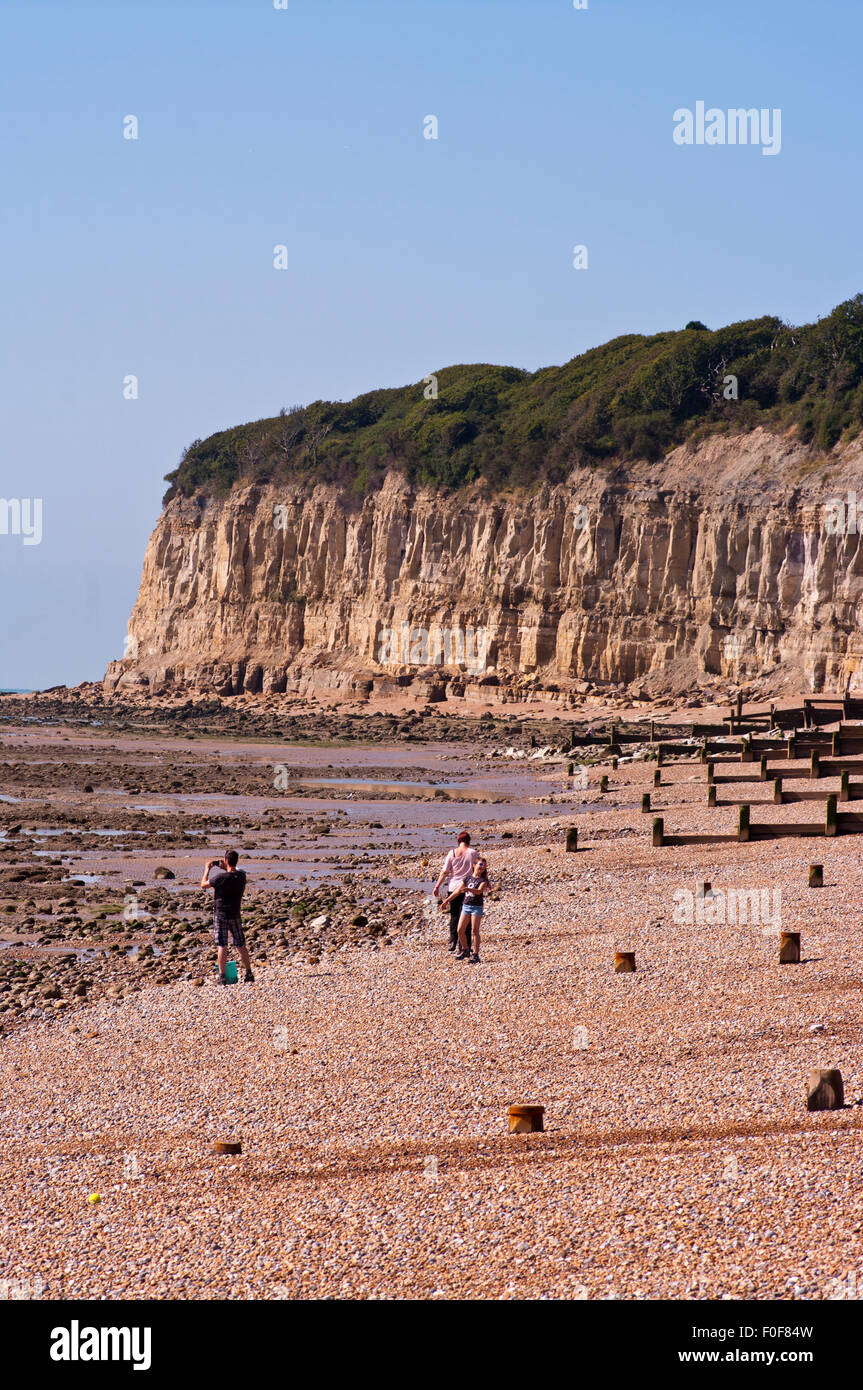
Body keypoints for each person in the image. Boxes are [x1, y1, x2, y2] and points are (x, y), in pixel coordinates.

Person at [200, 849, 254, 984]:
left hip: (221, 914)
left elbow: (203, 885)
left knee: (222, 945)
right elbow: (235, 869)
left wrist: (207, 868)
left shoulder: (221, 878)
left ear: (226, 861)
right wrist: (222, 863)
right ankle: (248, 973)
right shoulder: (241, 876)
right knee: (241, 944)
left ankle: (222, 976)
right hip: (235, 914)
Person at [432, 831, 479, 952]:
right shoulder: (473, 853)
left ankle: (453, 940)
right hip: (467, 888)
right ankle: (464, 945)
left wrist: (437, 886)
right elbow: (478, 870)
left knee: (454, 915)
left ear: (458, 841)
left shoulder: (451, 853)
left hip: (453, 888)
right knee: (466, 918)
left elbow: (444, 872)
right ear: (469, 841)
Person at [442, 856, 491, 964]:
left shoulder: (484, 880)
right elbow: (457, 891)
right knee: (460, 930)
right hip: (466, 906)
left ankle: (476, 954)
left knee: (475, 930)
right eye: (481, 864)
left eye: (484, 865)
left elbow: (479, 891)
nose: (482, 867)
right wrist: (447, 901)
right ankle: (465, 949)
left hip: (476, 907)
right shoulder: (467, 878)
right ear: (474, 865)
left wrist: (468, 889)